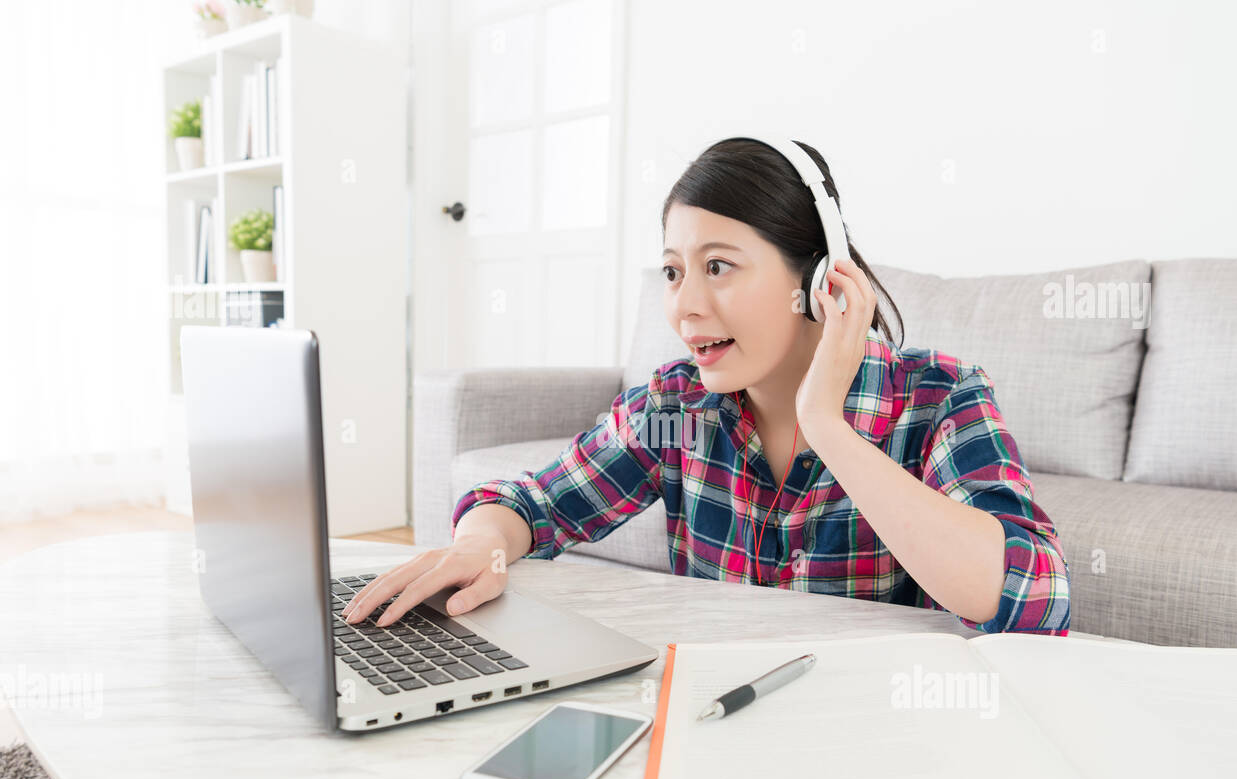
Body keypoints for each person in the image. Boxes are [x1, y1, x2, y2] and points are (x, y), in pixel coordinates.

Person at [343, 137, 1070, 636]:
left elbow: (1032, 595)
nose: (684, 306)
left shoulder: (941, 398)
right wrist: (482, 545)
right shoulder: (680, 409)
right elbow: (529, 503)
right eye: (672, 270)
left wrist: (827, 424)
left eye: (718, 265)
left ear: (817, 277)